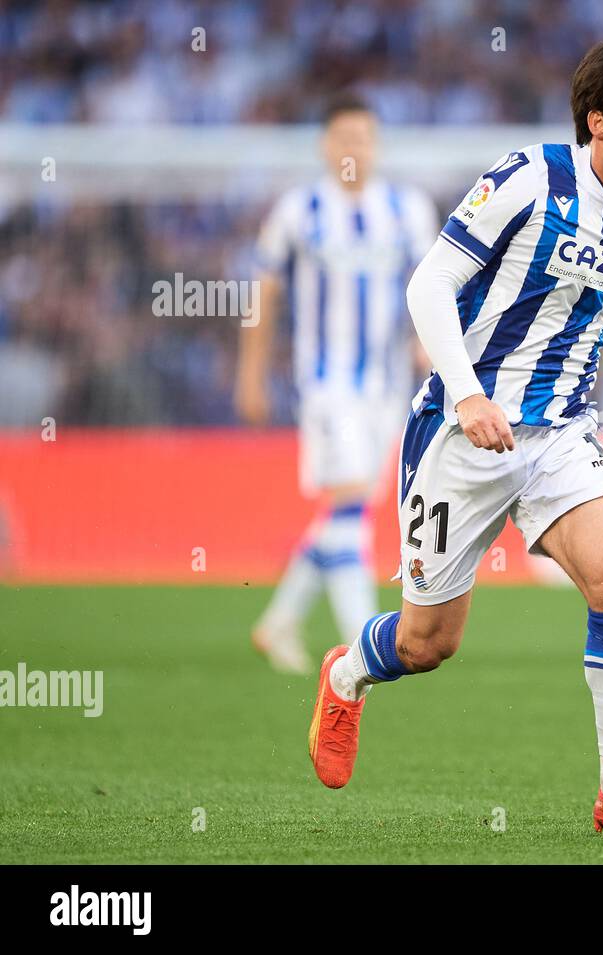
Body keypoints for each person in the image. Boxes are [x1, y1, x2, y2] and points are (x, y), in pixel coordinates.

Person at [306, 25, 603, 837]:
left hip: (561, 434)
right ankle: (347, 671)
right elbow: (430, 284)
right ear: (599, 121)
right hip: (461, 433)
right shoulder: (528, 180)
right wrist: (468, 395)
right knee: (427, 643)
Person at [236, 92, 435, 673]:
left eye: (364, 138)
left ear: (376, 145)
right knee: (349, 499)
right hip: (325, 383)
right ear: (326, 145)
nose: (355, 149)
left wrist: (426, 347)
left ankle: (279, 622)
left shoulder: (406, 209)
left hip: (387, 386)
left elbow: (429, 288)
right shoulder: (298, 211)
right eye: (345, 138)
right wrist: (250, 374)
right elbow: (264, 294)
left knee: (349, 509)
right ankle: (362, 644)